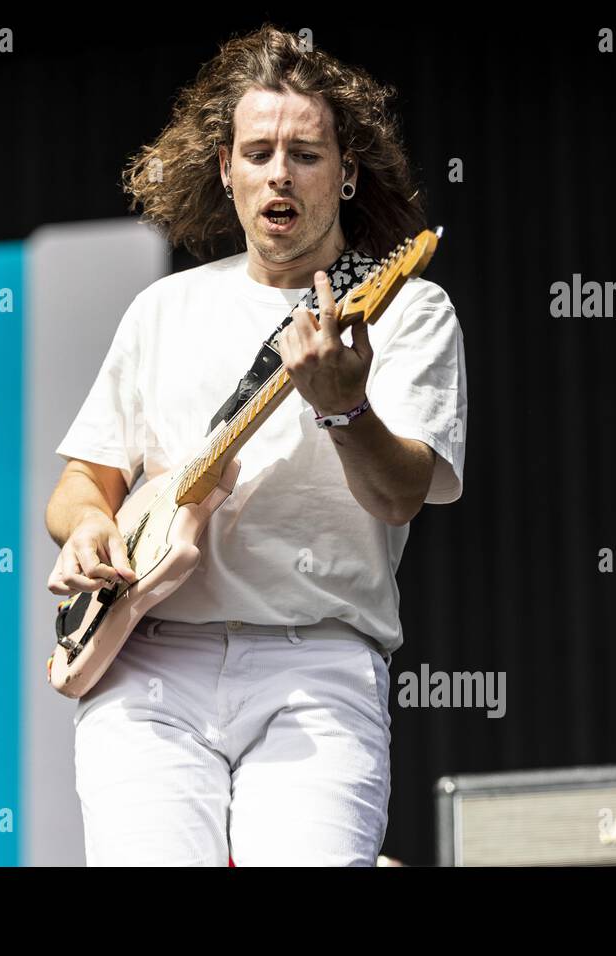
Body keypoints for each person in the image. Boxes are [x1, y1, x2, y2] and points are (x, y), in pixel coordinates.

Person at [45, 24, 467, 866]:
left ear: (346, 175)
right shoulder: (162, 310)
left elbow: (398, 497)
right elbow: (80, 484)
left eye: (306, 153)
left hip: (316, 669)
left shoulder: (406, 310)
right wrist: (90, 529)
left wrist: (346, 410)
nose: (280, 171)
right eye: (259, 151)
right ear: (228, 171)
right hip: (150, 661)